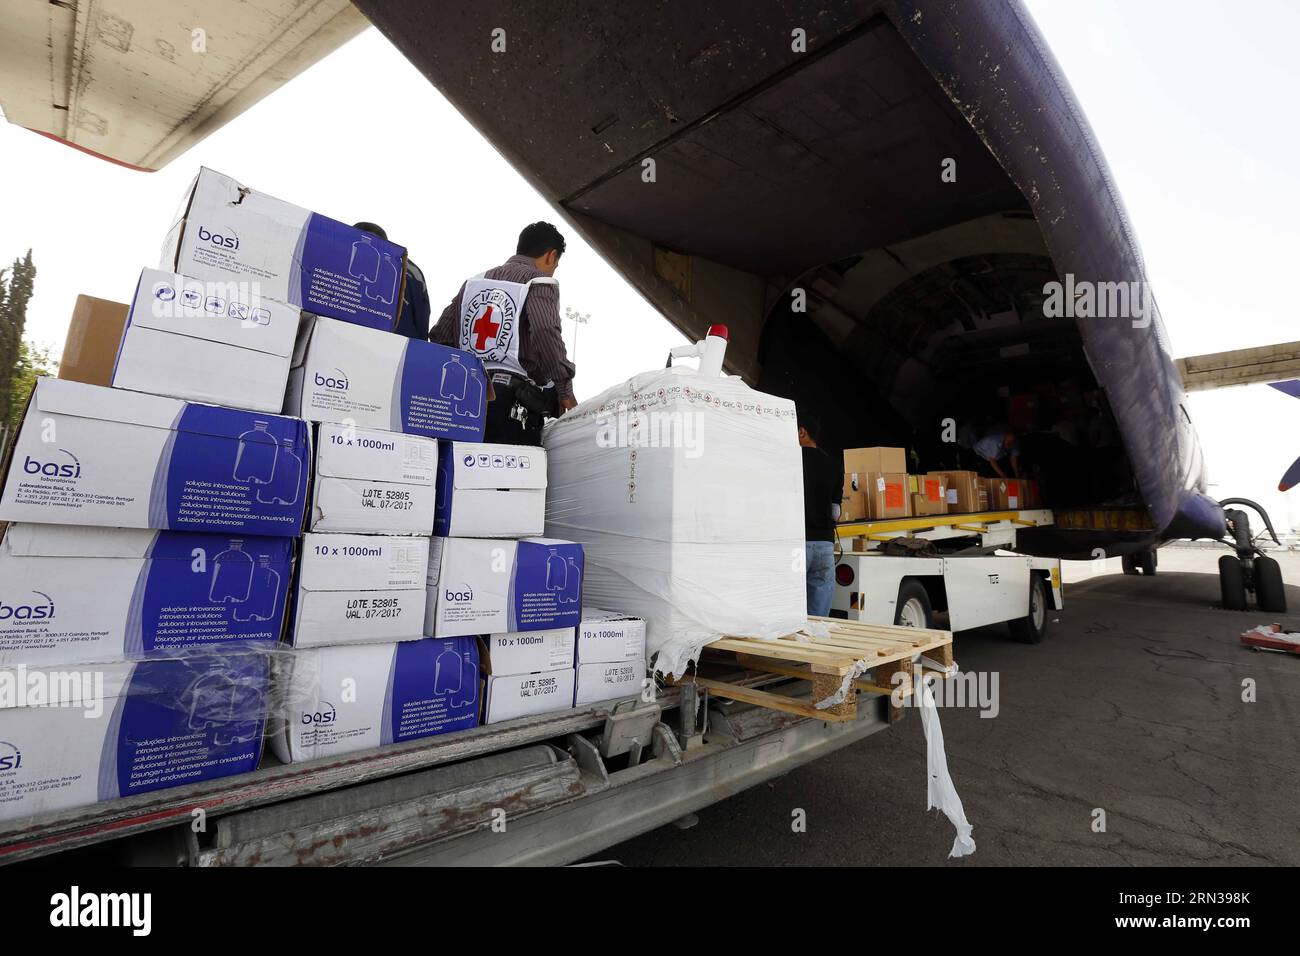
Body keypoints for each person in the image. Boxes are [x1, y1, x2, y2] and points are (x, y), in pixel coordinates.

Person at [430, 222, 576, 445]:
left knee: (462, 474)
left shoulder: (474, 283)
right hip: (510, 406)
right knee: (507, 477)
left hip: (463, 399)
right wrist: (564, 391)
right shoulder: (539, 283)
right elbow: (545, 331)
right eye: (555, 265)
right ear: (551, 256)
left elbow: (441, 335)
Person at [352, 222, 431, 341]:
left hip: (350, 336)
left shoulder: (345, 256)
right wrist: (419, 343)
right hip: (399, 344)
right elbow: (422, 314)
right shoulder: (412, 270)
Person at [798, 412, 840, 618]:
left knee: (790, 611)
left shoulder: (790, 461)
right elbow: (836, 512)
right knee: (818, 616)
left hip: (797, 545)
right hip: (825, 546)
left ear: (802, 432)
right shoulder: (833, 464)